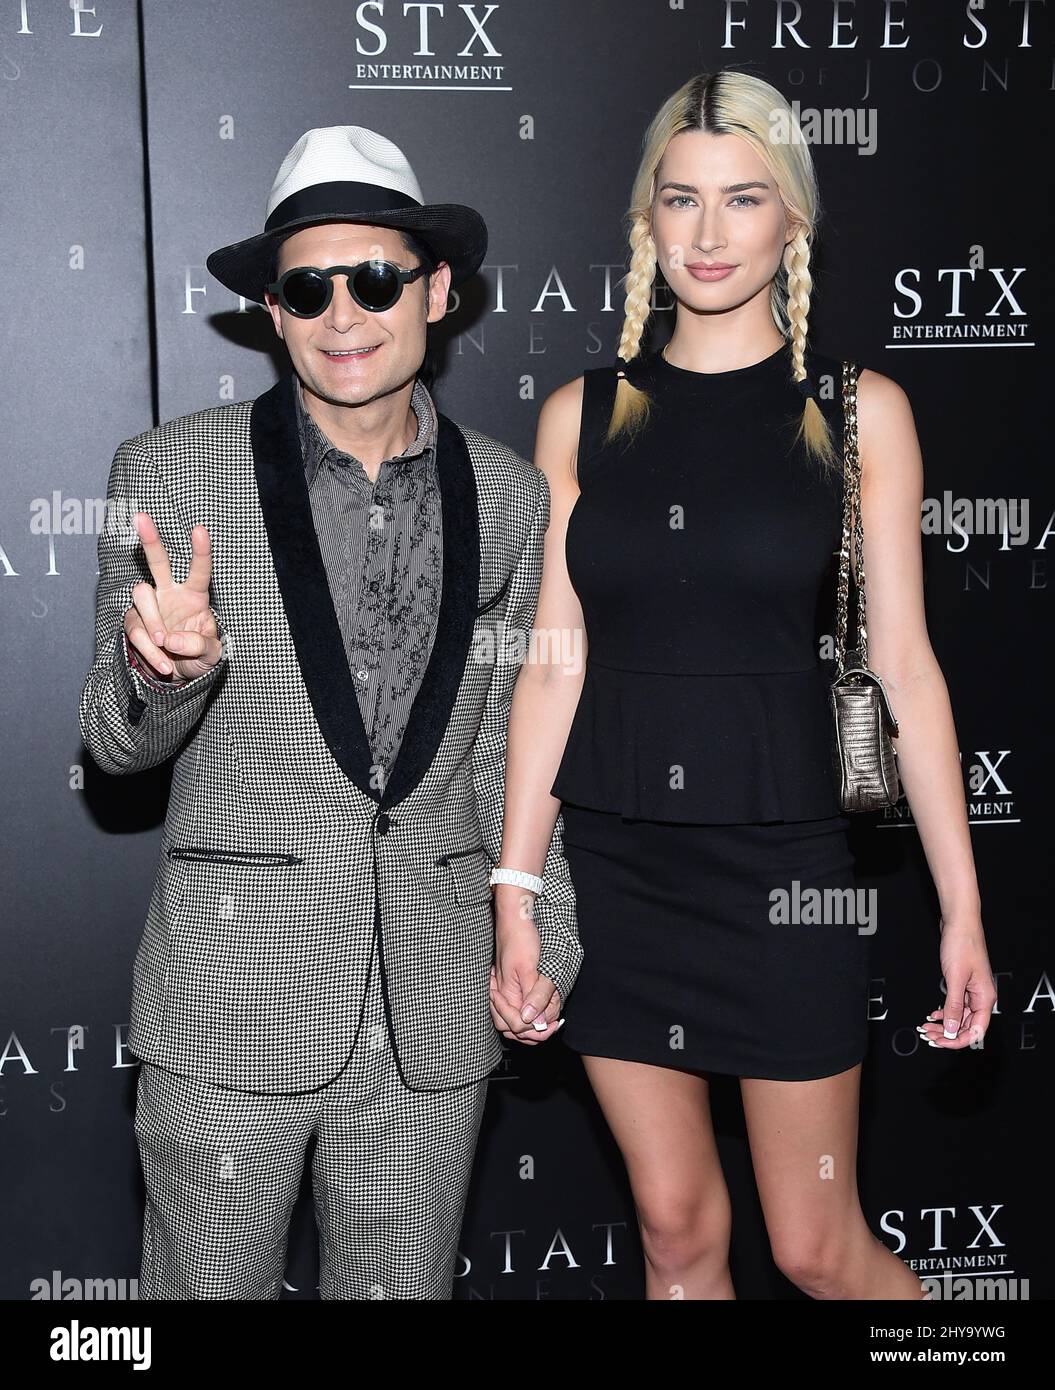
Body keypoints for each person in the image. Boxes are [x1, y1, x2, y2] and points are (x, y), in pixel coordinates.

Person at [489, 70, 997, 1300]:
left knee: (815, 1248)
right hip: (613, 876)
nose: (707, 235)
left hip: (786, 883)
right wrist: (514, 888)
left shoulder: (858, 412)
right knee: (670, 1231)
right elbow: (553, 659)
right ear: (644, 222)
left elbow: (904, 666)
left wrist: (961, 908)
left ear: (792, 223)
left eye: (742, 200)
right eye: (680, 200)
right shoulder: (583, 415)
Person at [78, 124, 581, 1300]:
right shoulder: (169, 476)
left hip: (434, 1010)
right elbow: (111, 742)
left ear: (438, 290)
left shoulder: (511, 496)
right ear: (270, 307)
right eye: (305, 287)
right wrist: (161, 674)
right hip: (230, 1006)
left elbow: (523, 742)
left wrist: (545, 934)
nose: (342, 313)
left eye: (375, 278)